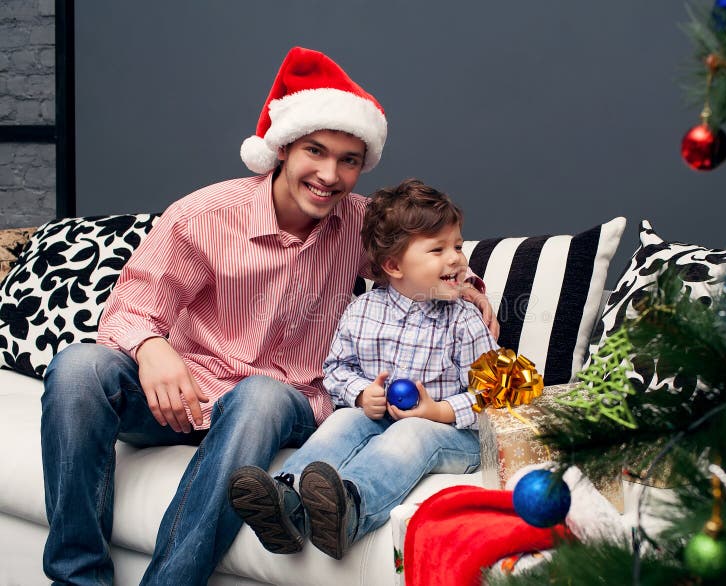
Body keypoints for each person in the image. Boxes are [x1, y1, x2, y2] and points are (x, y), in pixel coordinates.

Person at [40, 47, 495, 585]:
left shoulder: (360, 223)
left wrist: (470, 287)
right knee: (76, 370)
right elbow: (132, 306)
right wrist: (152, 347)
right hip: (185, 397)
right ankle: (76, 578)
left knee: (258, 395)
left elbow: (419, 261)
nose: (330, 175)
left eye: (349, 160)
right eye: (315, 151)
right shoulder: (205, 215)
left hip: (287, 399)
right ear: (282, 148)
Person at [229, 178, 500, 560]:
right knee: (342, 422)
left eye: (457, 245)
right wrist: (361, 393)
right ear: (393, 266)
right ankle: (285, 501)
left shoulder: (463, 320)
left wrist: (437, 411)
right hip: (380, 417)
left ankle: (352, 509)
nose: (456, 258)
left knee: (411, 432)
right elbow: (337, 369)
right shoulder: (362, 311)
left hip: (454, 434)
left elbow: (501, 392)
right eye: (437, 249)